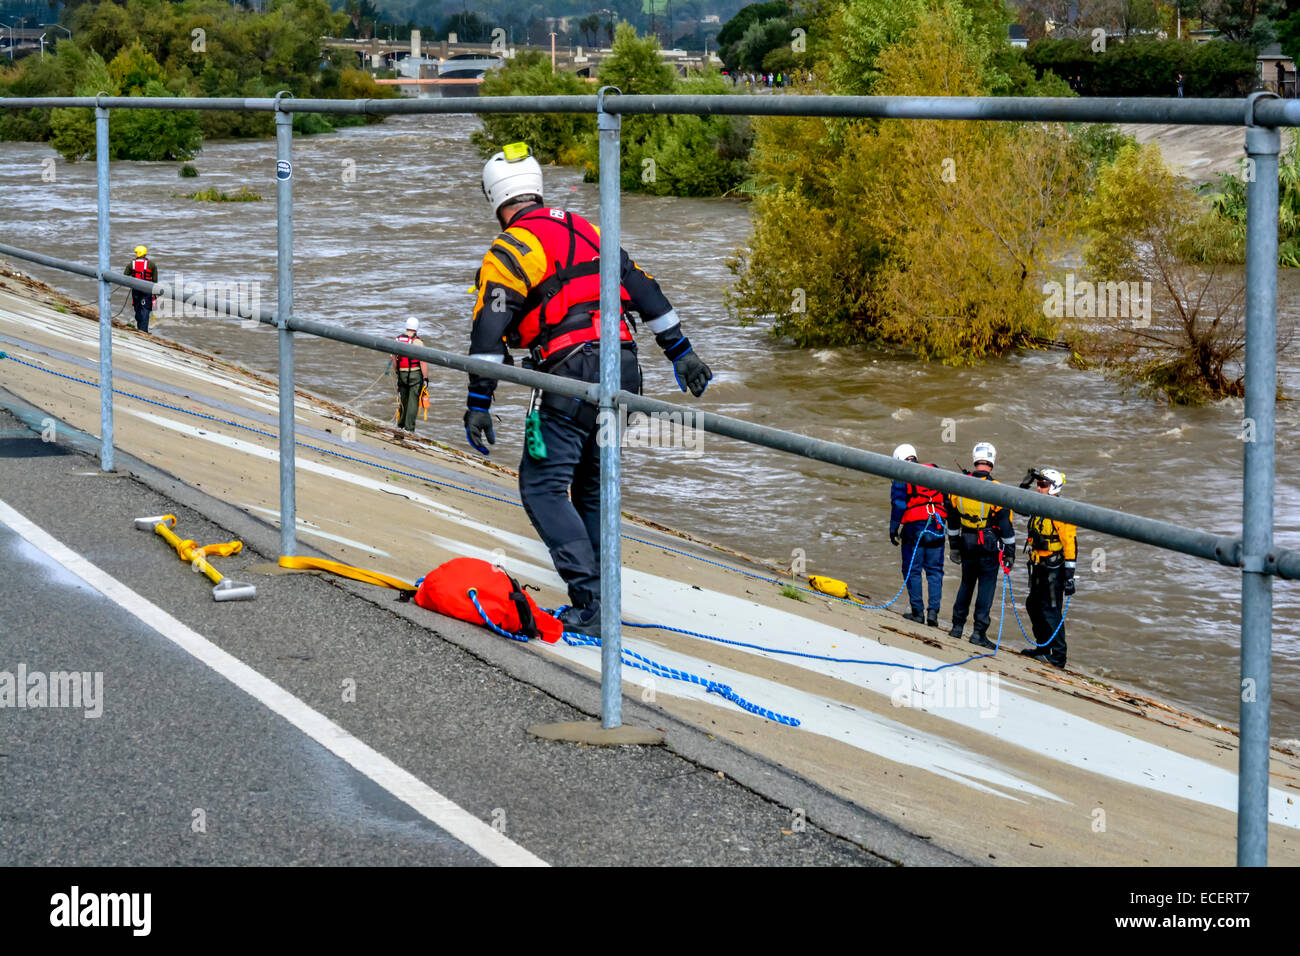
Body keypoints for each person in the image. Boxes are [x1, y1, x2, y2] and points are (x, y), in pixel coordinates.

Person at [462, 142, 713, 637]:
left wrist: (478, 403)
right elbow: (646, 291)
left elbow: (489, 337)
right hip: (624, 370)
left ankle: (591, 601)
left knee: (543, 487)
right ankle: (605, 600)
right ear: (535, 188)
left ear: (496, 199)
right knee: (594, 489)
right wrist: (682, 352)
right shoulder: (590, 230)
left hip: (570, 375)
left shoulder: (512, 248)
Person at [945, 441, 1015, 649]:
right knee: (986, 586)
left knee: (966, 583)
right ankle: (978, 633)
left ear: (975, 460)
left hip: (966, 541)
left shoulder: (959, 486)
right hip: (988, 544)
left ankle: (957, 627)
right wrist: (1010, 553)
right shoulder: (996, 490)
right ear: (992, 461)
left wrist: (954, 546)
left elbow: (952, 519)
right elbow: (1006, 526)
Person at [1018, 467, 1076, 668]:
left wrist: (1069, 575)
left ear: (1053, 488)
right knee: (1033, 605)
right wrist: (1024, 484)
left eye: (1042, 485)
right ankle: (1043, 648)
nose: (1038, 487)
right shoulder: (1038, 504)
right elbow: (1018, 506)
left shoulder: (1060, 511)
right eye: (1038, 484)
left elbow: (1070, 543)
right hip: (1037, 565)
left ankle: (1058, 656)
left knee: (1050, 610)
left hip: (1053, 567)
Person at [888, 443, 946, 627]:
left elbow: (899, 505)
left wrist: (893, 529)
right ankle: (933, 614)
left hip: (915, 527)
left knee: (912, 570)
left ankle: (917, 612)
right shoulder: (935, 471)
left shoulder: (901, 477)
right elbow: (947, 497)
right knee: (935, 571)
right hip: (936, 526)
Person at [389, 317, 429, 433]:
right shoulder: (418, 342)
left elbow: (393, 358)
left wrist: (397, 371)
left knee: (403, 401)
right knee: (413, 403)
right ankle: (409, 429)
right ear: (417, 328)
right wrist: (425, 378)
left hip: (402, 374)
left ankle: (400, 426)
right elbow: (423, 362)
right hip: (415, 375)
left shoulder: (397, 340)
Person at [124, 245, 156, 333]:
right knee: (145, 309)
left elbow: (125, 276)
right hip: (147, 290)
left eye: (136, 252)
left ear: (139, 253)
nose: (135, 254)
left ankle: (139, 328)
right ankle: (144, 331)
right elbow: (155, 280)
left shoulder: (131, 264)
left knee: (137, 308)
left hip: (135, 289)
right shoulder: (152, 264)